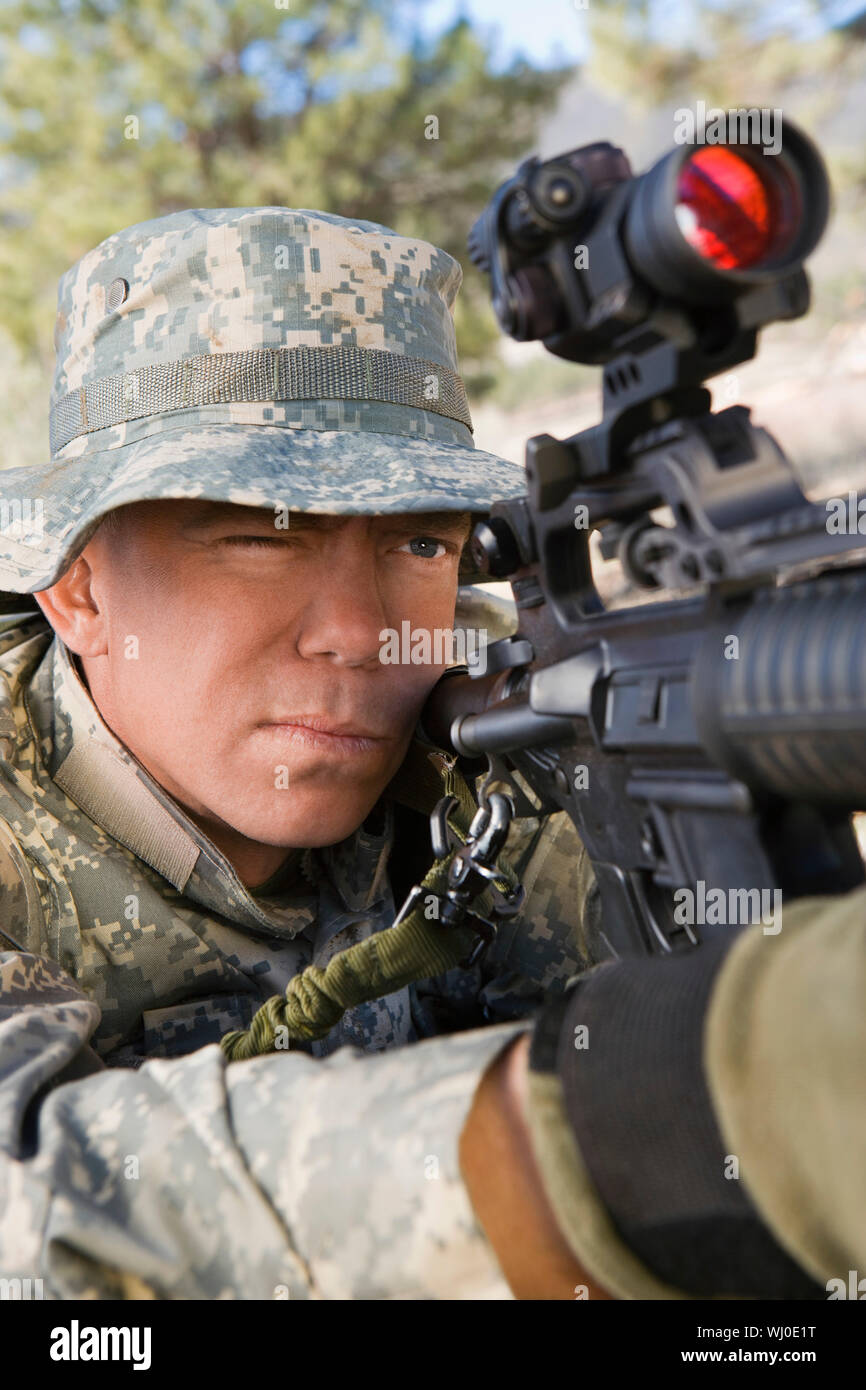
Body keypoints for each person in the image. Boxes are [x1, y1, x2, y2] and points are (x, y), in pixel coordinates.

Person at [0, 205, 860, 1301]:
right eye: (265, 533)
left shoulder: (513, 717)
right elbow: (33, 1211)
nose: (361, 631)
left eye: (419, 541)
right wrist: (597, 1135)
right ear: (77, 587)